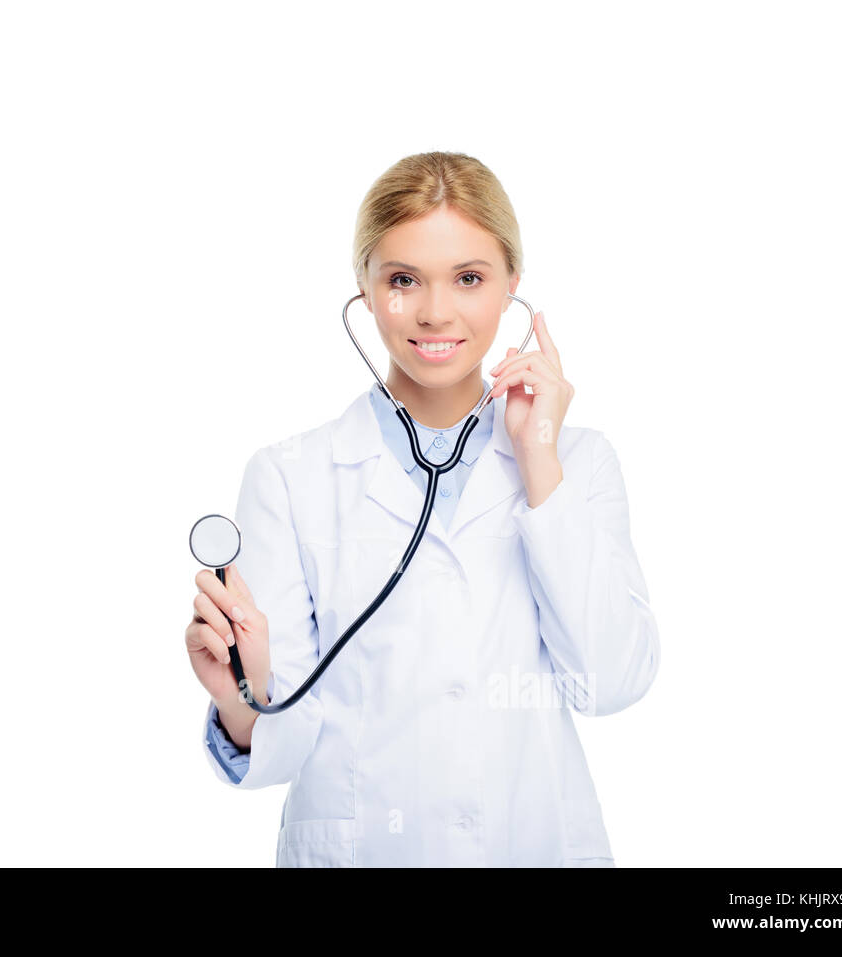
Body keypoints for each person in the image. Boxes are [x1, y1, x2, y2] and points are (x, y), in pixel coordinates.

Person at [184, 151, 660, 867]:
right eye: (403, 279)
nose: (436, 311)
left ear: (512, 285)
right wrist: (238, 700)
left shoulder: (578, 462)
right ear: (366, 288)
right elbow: (284, 734)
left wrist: (538, 461)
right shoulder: (290, 476)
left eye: (469, 278)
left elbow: (611, 682)